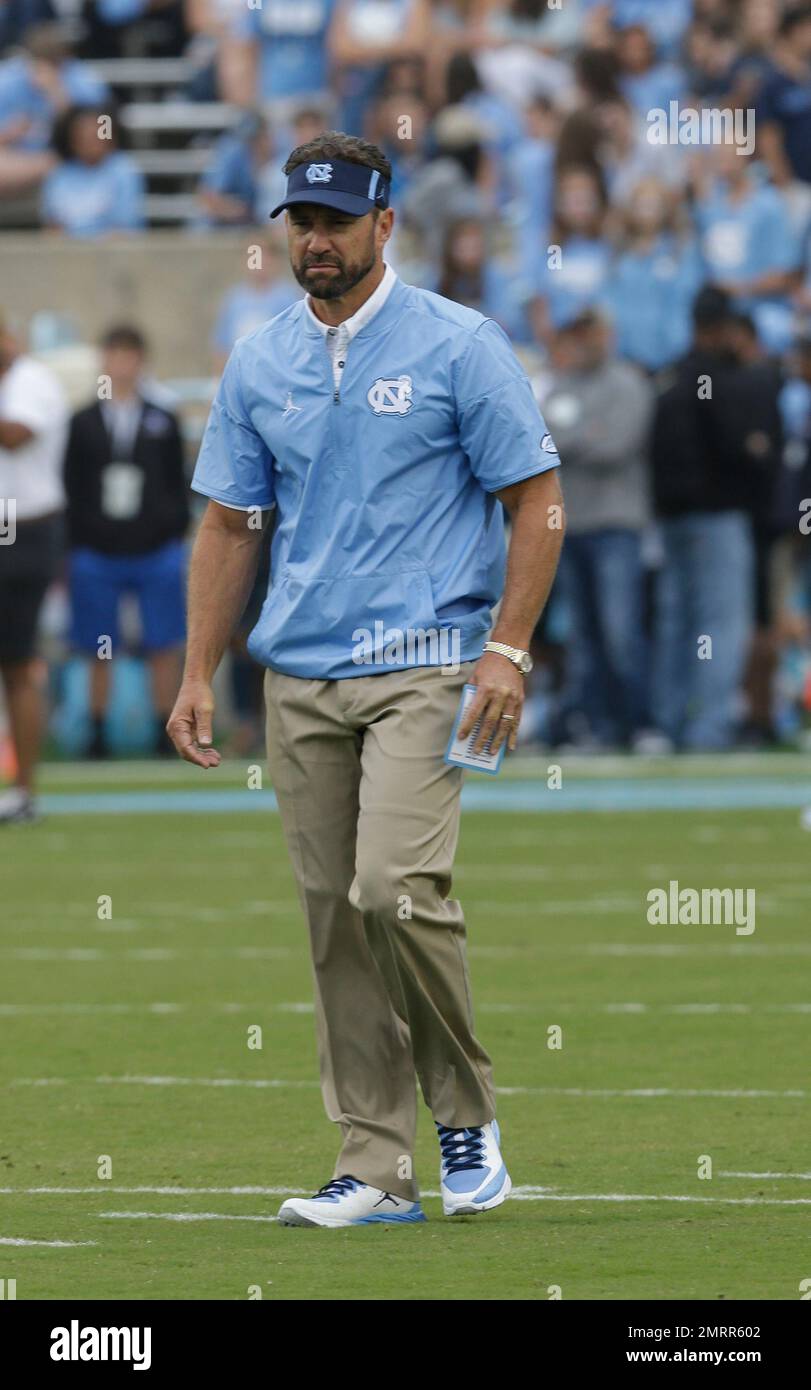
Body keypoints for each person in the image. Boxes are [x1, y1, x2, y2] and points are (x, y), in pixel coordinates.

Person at [168, 130, 565, 1228]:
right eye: (301, 221)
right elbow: (229, 523)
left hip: (427, 664)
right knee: (332, 923)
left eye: (337, 222)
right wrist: (199, 669)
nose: (316, 241)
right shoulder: (258, 360)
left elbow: (537, 497)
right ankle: (375, 1169)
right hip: (296, 675)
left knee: (390, 886)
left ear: (386, 225)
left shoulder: (459, 344)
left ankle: (465, 1112)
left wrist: (508, 647)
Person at [64, 325, 189, 759]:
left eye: (128, 355)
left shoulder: (161, 417)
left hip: (153, 547)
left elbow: (177, 482)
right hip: (98, 550)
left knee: (163, 640)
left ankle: (163, 729)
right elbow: (73, 485)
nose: (120, 364)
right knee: (98, 643)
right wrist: (79, 540)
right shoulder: (83, 421)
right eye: (113, 355)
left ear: (141, 360)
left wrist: (169, 530)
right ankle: (96, 730)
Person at [650, 286, 766, 750]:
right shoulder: (720, 378)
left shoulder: (671, 375)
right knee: (720, 625)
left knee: (676, 623)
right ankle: (709, 730)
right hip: (718, 517)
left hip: (672, 518)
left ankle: (667, 725)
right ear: (723, 328)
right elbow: (742, 446)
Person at [540, 308, 654, 748]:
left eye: (593, 332)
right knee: (584, 637)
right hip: (572, 525)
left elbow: (618, 444)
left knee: (620, 629)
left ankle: (639, 723)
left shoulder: (627, 382)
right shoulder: (562, 385)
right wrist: (588, 436)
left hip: (617, 523)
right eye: (579, 333)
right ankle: (598, 725)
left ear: (608, 335)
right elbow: (544, 443)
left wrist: (576, 440)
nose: (586, 341)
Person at [0, 309, 68, 823]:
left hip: (24, 534)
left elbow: (16, 434)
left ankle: (24, 789)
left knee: (19, 664)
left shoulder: (32, 380)